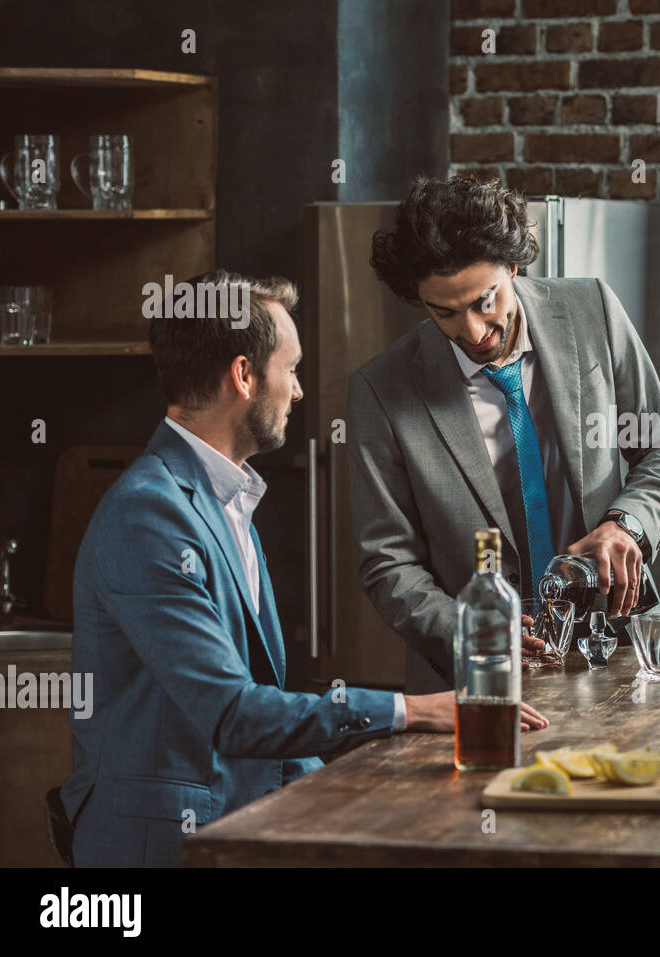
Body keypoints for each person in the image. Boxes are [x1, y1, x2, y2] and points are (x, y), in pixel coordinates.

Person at [61, 269, 546, 867]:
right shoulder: (148, 515)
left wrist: (366, 801)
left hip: (234, 823)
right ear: (243, 376)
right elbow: (234, 713)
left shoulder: (221, 496)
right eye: (290, 370)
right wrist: (414, 710)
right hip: (161, 845)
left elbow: (258, 711)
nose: (297, 391)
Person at [349, 175, 660, 693]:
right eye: (444, 312)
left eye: (485, 301)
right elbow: (389, 563)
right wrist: (471, 630)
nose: (472, 331)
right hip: (477, 673)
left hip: (616, 646)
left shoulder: (592, 309)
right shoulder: (381, 389)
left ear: (513, 265)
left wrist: (626, 525)